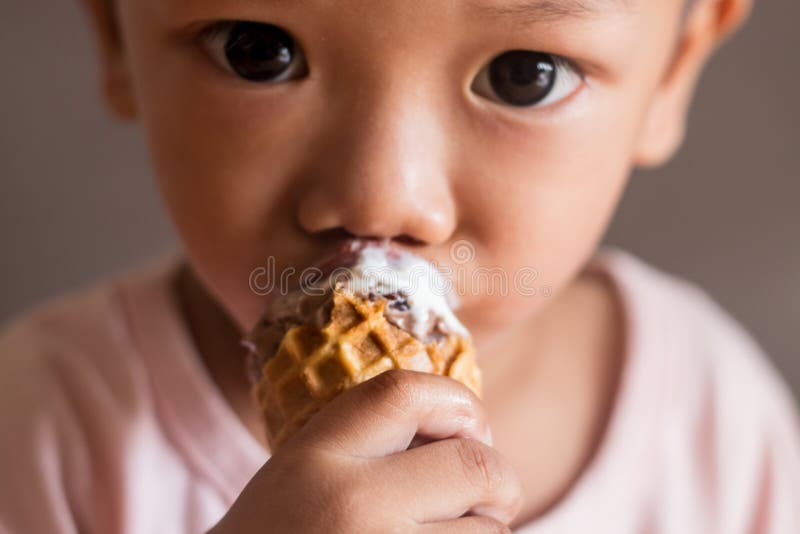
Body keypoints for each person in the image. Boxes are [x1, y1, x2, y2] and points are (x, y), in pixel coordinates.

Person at [1, 0, 798, 532]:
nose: (381, 197)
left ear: (672, 70)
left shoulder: (713, 420)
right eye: (260, 53)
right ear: (112, 33)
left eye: (525, 74)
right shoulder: (43, 429)